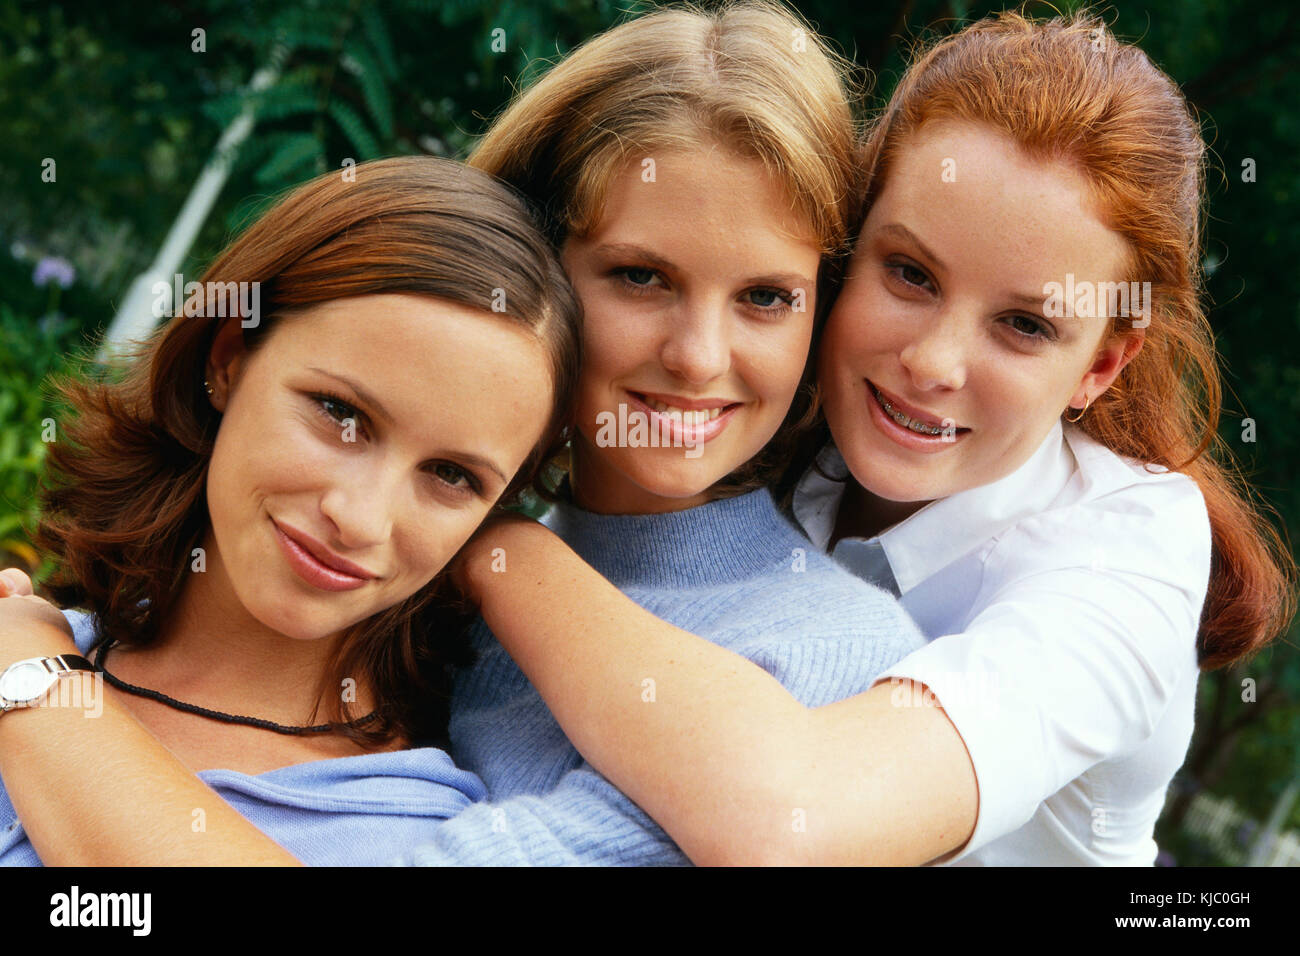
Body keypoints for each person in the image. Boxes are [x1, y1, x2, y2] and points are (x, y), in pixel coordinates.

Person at [0, 0, 922, 866]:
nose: (697, 355)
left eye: (767, 297)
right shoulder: (426, 625)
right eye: (641, 276)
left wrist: (32, 685)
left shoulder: (830, 654)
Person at [447, 10, 1297, 865]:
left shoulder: (1128, 548)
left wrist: (486, 548)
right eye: (910, 273)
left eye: (1025, 326)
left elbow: (791, 823)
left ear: (1101, 368)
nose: (931, 362)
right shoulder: (774, 434)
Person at [0, 155, 581, 866]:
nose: (361, 519)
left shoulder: (428, 837)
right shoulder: (35, 634)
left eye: (452, 475)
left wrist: (32, 681)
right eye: (341, 414)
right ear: (228, 359)